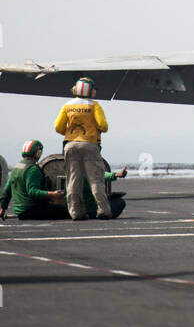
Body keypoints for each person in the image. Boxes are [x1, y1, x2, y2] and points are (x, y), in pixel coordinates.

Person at [54, 78, 111, 220]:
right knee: (95, 179)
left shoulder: (67, 105)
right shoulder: (94, 105)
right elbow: (103, 126)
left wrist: (71, 133)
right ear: (90, 91)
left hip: (70, 145)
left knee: (73, 180)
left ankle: (75, 212)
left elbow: (58, 127)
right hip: (89, 145)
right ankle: (103, 210)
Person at [0, 141, 67, 219]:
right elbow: (32, 192)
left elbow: (7, 191)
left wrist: (2, 208)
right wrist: (53, 194)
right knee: (65, 212)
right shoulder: (32, 169)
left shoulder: (16, 167)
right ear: (38, 153)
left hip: (20, 212)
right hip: (32, 210)